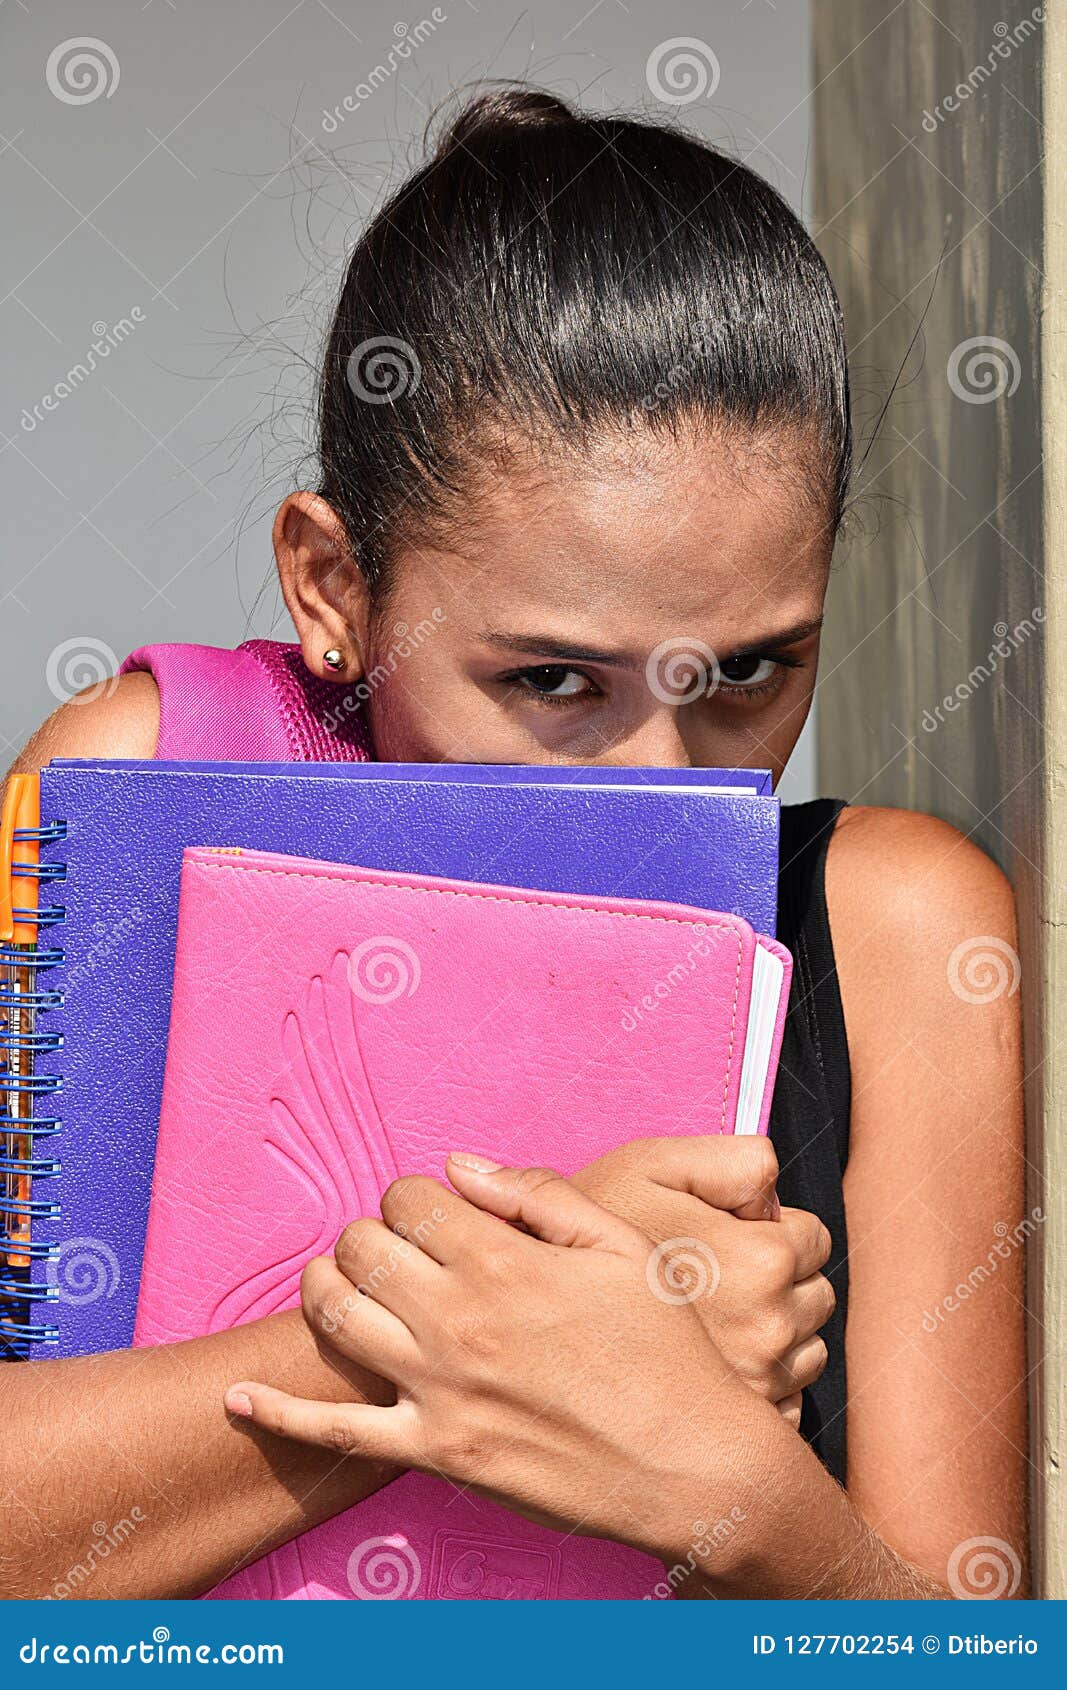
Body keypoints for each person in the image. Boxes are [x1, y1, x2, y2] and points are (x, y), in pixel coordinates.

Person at [2, 88, 1026, 1599]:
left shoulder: (900, 927)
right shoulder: (143, 784)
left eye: (750, 672)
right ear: (336, 587)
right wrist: (497, 1340)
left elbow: (963, 1643)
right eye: (553, 681)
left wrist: (733, 1486)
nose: (661, 778)